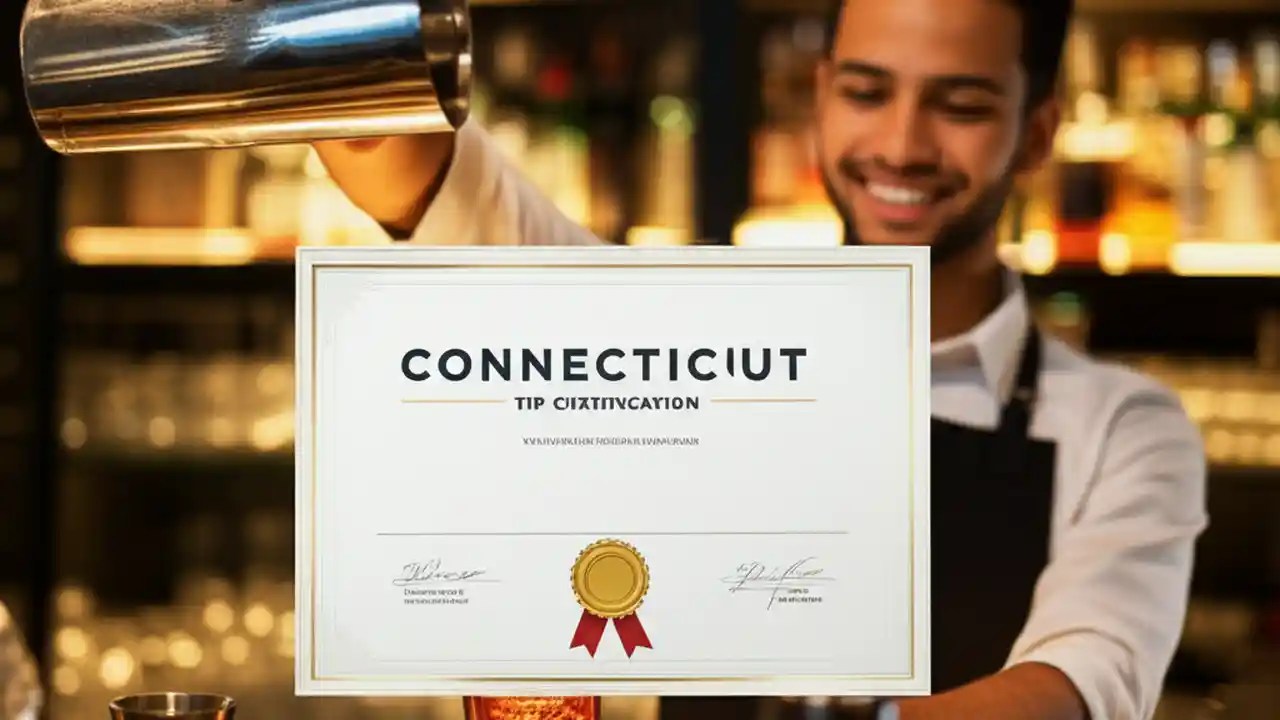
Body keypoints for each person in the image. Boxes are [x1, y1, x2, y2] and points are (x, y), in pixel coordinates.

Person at [313, 0, 1209, 718]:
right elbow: (424, 175)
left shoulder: (1126, 431)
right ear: (818, 96)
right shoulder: (697, 342)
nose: (900, 145)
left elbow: (1080, 684)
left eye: (961, 105)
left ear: (1040, 130)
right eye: (865, 92)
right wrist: (324, 53)